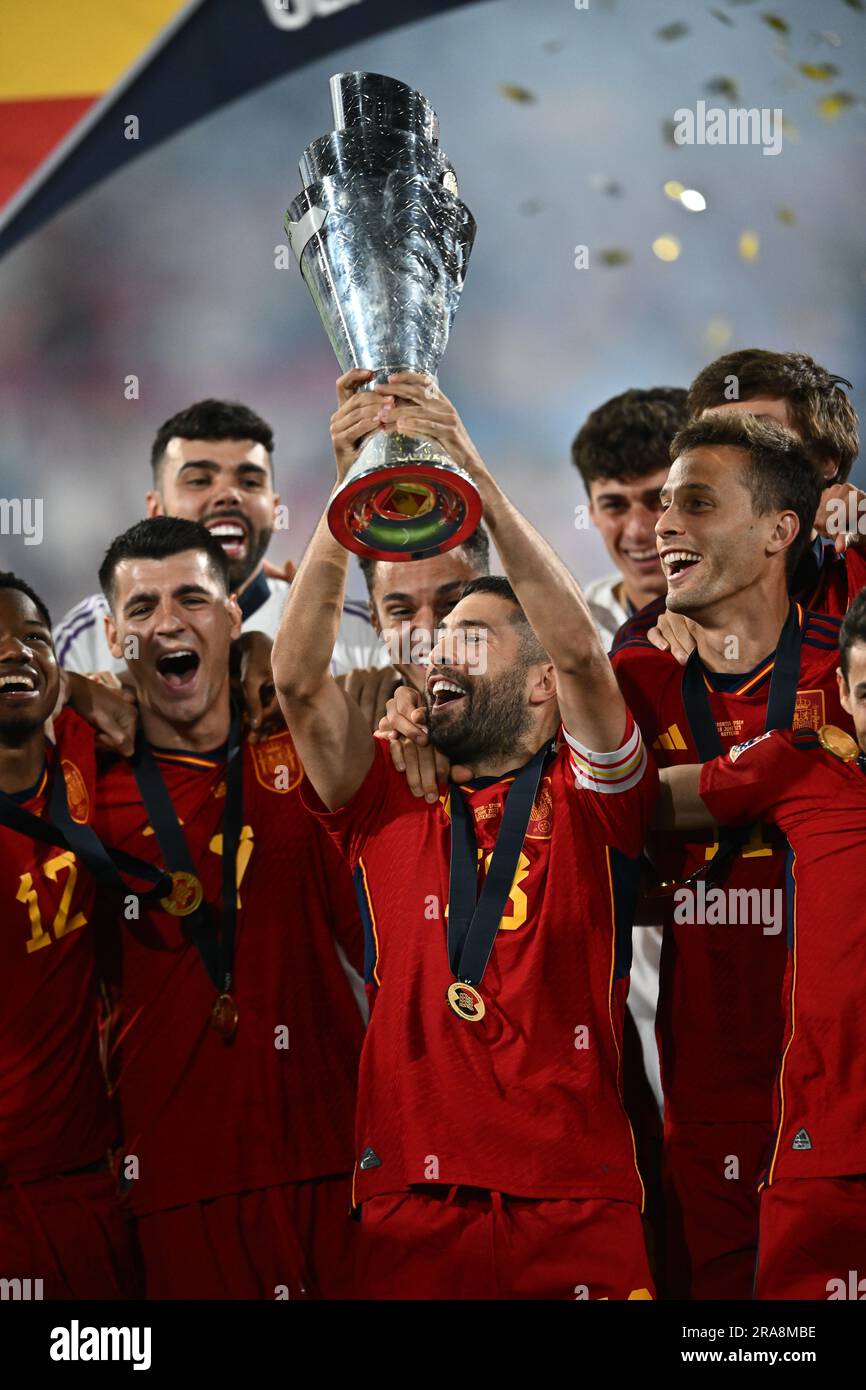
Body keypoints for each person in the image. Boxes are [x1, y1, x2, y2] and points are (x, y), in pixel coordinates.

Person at [274, 371, 658, 1301]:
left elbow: (577, 650)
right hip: (412, 1200)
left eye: (470, 636)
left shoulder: (595, 799)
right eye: (433, 635)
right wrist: (350, 495)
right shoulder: (384, 792)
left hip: (576, 1204)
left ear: (539, 687)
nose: (436, 648)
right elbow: (297, 680)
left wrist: (473, 475)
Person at [611, 412, 853, 1300]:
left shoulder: (850, 669)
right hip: (707, 1085)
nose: (660, 525)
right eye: (663, 504)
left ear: (779, 531)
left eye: (696, 504)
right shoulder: (634, 675)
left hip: (844, 1091)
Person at [92, 517, 366, 1299]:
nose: (168, 622)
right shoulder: (83, 780)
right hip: (177, 1177)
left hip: (336, 1157)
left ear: (235, 617)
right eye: (141, 609)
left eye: (192, 598)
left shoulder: (304, 750)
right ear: (113, 635)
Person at [654, 587, 866, 1298]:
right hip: (826, 1151)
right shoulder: (804, 767)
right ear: (841, 689)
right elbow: (630, 798)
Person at [0, 574, 138, 1299]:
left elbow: (120, 702)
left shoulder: (81, 756)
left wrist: (83, 689)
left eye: (32, 639)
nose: (14, 653)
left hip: (84, 1182)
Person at [53, 399, 376, 678]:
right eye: (199, 480)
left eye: (249, 481)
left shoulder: (354, 632)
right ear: (156, 509)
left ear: (275, 509)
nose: (227, 495)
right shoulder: (91, 635)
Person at [618, 349, 863, 661]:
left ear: (825, 462)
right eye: (711, 438)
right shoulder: (648, 641)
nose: (726, 459)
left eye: (759, 435)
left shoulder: (857, 577)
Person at [570, 387, 688, 647]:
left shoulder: (775, 616)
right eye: (614, 505)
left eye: (659, 501)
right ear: (593, 513)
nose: (637, 531)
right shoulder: (572, 632)